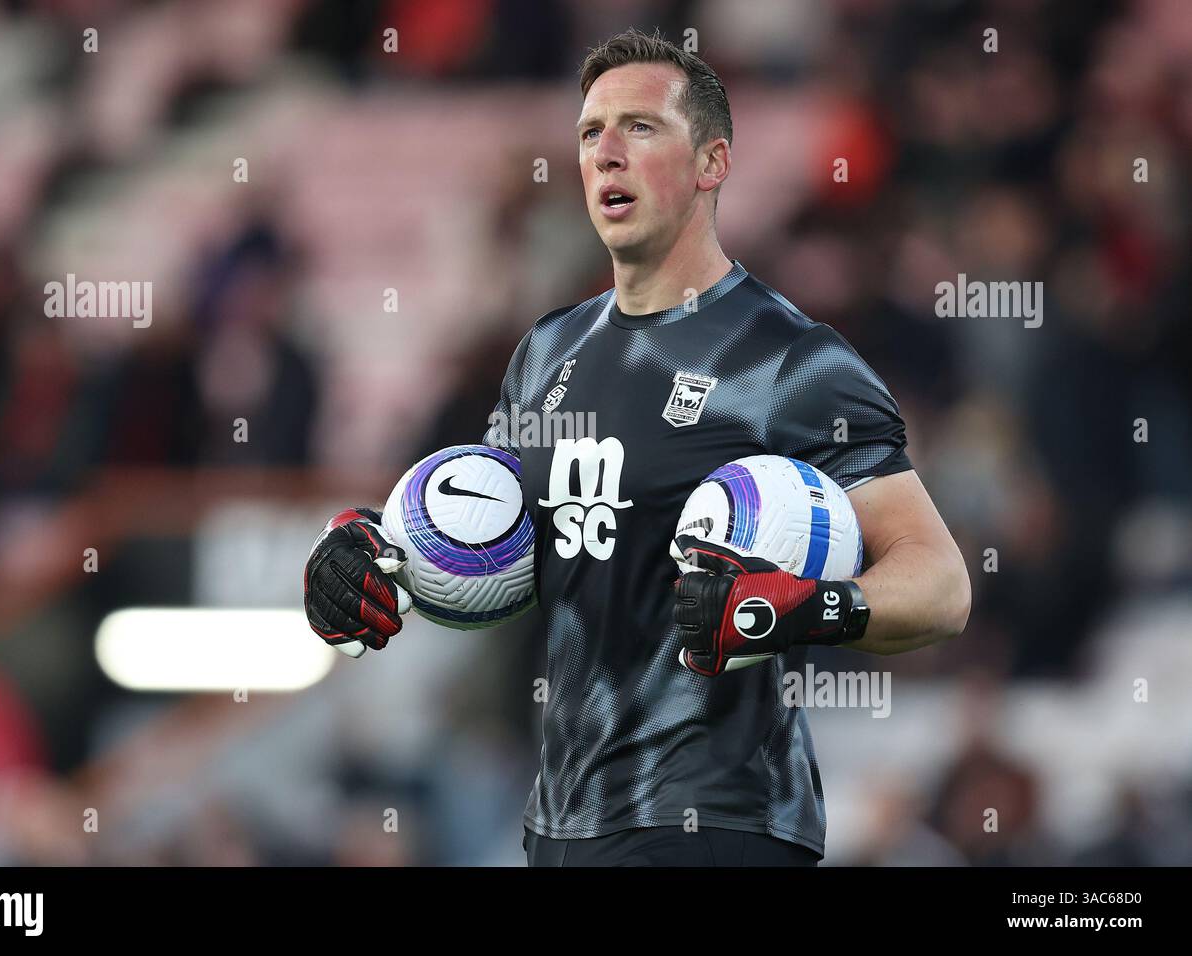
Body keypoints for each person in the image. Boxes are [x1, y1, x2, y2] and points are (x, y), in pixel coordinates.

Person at [304, 29, 970, 867]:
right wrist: (378, 556)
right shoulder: (546, 352)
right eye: (590, 134)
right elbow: (505, 545)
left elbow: (940, 585)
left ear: (713, 163)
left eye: (640, 128)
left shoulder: (794, 362)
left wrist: (802, 606)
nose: (607, 154)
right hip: (562, 823)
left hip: (723, 822)